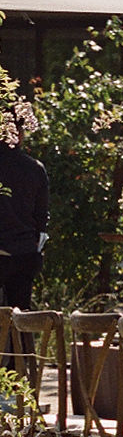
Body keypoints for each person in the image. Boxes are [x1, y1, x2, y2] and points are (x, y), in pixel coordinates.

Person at [0, 128, 50, 308]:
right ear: (19, 135)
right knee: (20, 317)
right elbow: (41, 216)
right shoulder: (34, 168)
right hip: (24, 251)